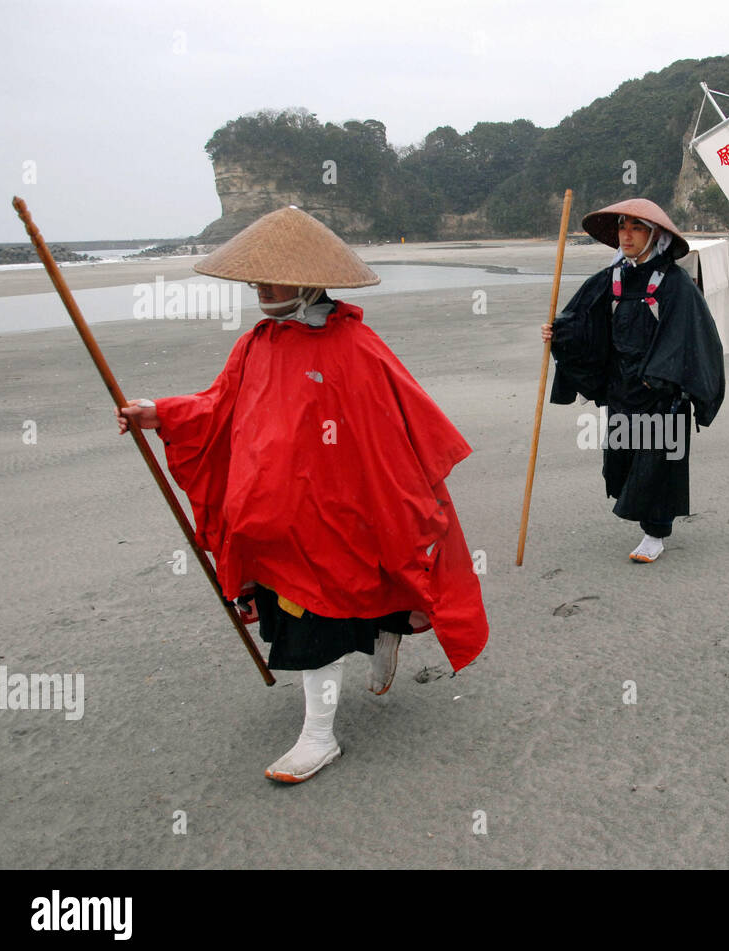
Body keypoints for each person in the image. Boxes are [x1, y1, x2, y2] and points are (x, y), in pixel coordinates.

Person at [115, 206, 489, 784]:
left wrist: (396, 498)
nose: (261, 288)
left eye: (275, 276)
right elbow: (218, 407)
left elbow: (395, 435)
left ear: (311, 281)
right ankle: (384, 630)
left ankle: (319, 736)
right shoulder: (255, 344)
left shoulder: (356, 348)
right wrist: (158, 412)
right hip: (268, 515)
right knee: (303, 608)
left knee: (316, 612)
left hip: (333, 515)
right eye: (257, 277)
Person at [541, 198, 724, 564]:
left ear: (655, 235)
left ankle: (655, 534)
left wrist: (660, 378)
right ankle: (648, 523)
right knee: (624, 461)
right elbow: (582, 317)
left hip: (660, 391)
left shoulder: (674, 283)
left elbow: (689, 335)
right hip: (622, 389)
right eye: (623, 227)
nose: (626, 235)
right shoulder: (614, 277)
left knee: (658, 464)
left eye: (636, 228)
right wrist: (559, 333)